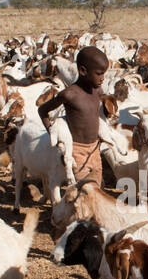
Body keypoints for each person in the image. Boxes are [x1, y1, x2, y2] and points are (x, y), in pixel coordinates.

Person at [37, 45, 108, 185]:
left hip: (95, 149)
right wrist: (53, 134)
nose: (102, 78)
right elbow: (42, 111)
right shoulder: (69, 95)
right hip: (77, 151)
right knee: (85, 192)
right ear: (83, 71)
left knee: (96, 188)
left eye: (103, 74)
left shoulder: (97, 91)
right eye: (99, 73)